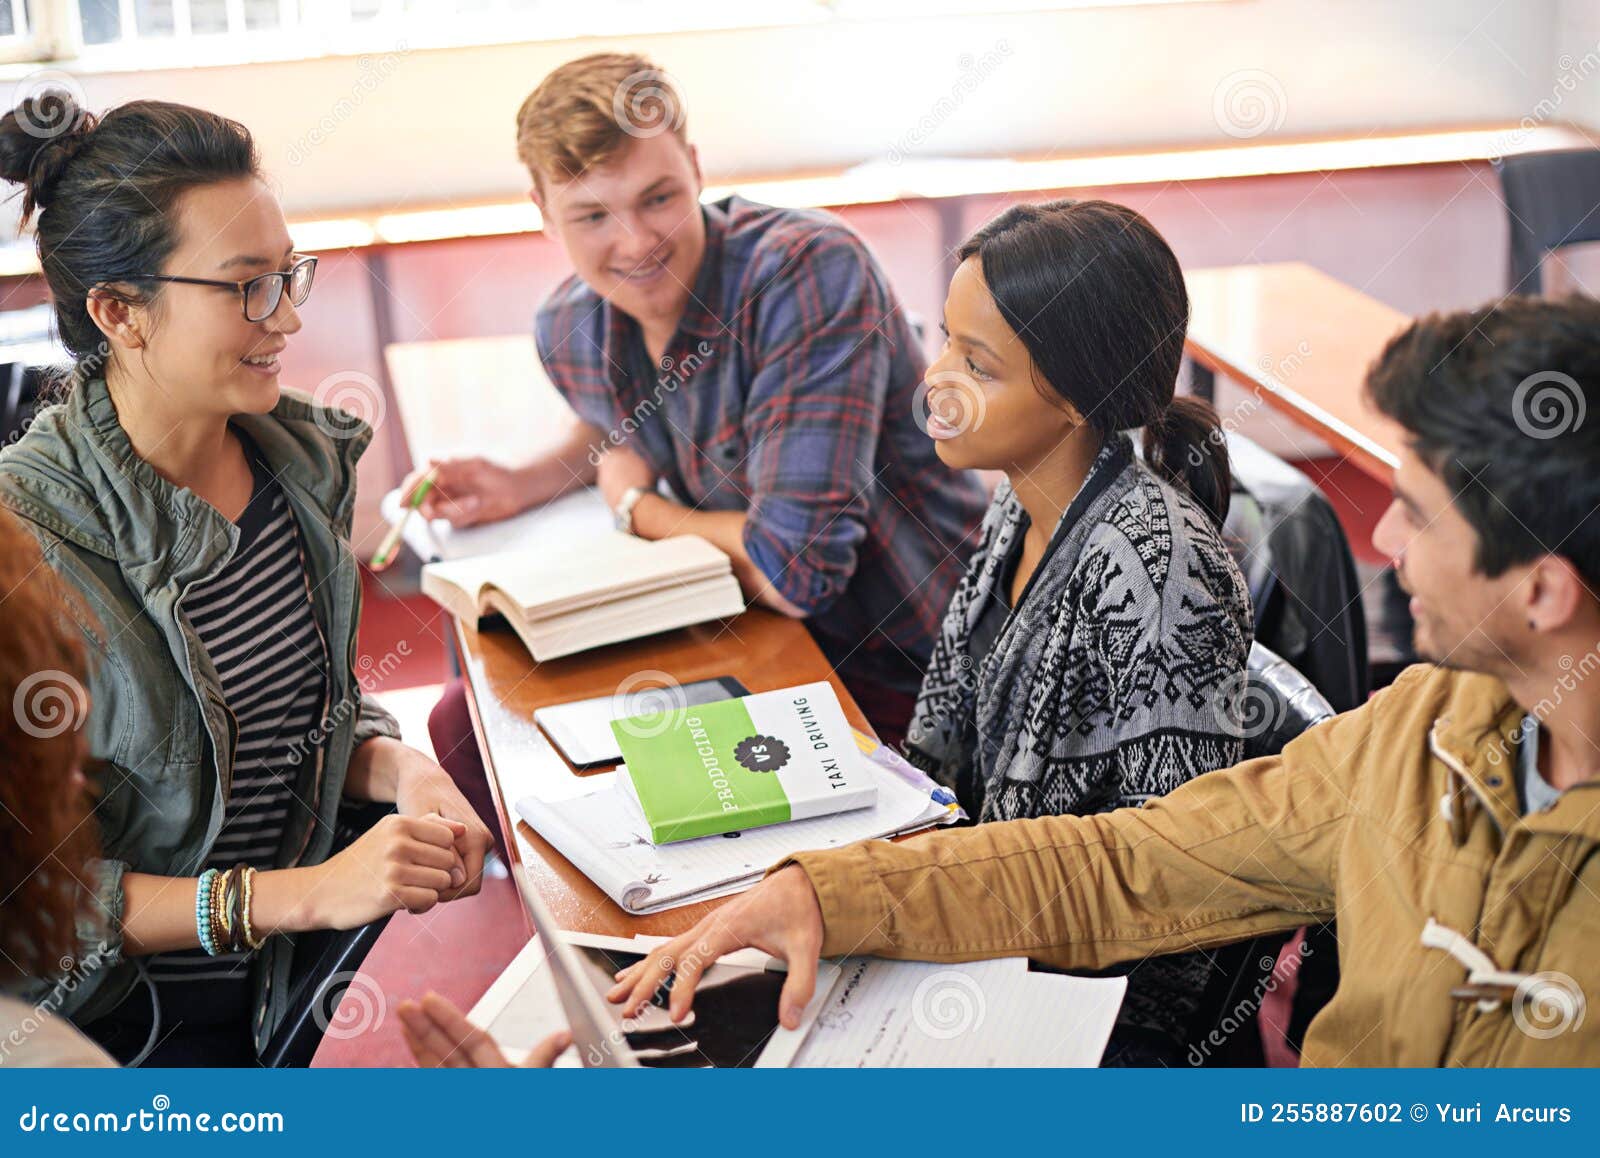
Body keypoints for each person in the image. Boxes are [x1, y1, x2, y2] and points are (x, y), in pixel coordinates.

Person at [609, 296, 1600, 1067]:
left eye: (1416, 514)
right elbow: (1127, 866)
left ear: (1544, 591)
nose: (1382, 538)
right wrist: (830, 894)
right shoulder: (1424, 725)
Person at [0, 93, 495, 1066]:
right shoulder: (23, 544)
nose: (290, 316)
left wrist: (404, 771)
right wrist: (301, 895)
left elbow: (301, 725)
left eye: (288, 275)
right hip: (119, 1040)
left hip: (285, 993)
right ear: (118, 312)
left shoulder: (296, 462)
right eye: (247, 288)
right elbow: (28, 903)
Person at [416, 52, 988, 772]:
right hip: (742, 628)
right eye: (592, 215)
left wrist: (637, 508)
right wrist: (523, 481)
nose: (635, 242)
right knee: (465, 723)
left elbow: (796, 572)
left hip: (915, 670)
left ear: (694, 168)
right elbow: (624, 423)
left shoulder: (806, 270)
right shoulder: (568, 326)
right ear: (544, 214)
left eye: (658, 198)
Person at [895, 199, 1253, 1064]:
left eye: (976, 366)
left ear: (1074, 393)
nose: (936, 381)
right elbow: (947, 763)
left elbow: (1175, 887)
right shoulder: (1018, 503)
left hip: (1083, 1011)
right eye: (944, 341)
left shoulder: (1162, 573)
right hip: (986, 929)